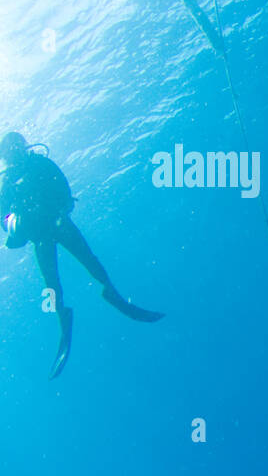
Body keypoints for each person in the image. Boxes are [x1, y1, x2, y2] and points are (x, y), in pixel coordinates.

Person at [1, 132, 164, 378]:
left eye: (15, 149)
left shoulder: (39, 163)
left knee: (90, 262)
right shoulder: (8, 181)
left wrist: (58, 208)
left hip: (58, 223)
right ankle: (63, 318)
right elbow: (3, 217)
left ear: (22, 148)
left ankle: (111, 294)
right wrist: (16, 225)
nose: (13, 154)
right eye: (9, 152)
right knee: (52, 283)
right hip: (42, 234)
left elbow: (63, 189)